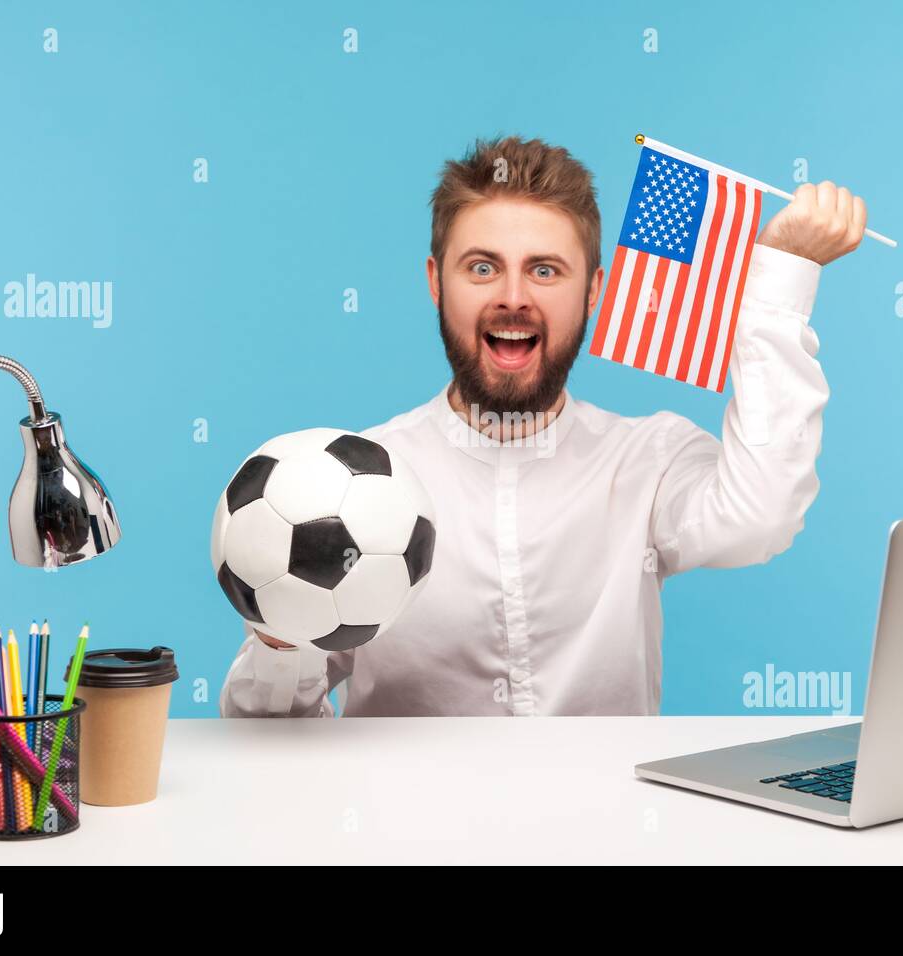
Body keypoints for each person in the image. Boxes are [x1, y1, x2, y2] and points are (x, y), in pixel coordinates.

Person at [220, 134, 866, 717]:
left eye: (545, 269)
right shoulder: (350, 485)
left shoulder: (649, 458)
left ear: (593, 291)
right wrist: (280, 633)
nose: (513, 296)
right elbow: (269, 732)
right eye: (481, 267)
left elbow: (762, 518)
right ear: (434, 284)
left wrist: (781, 282)